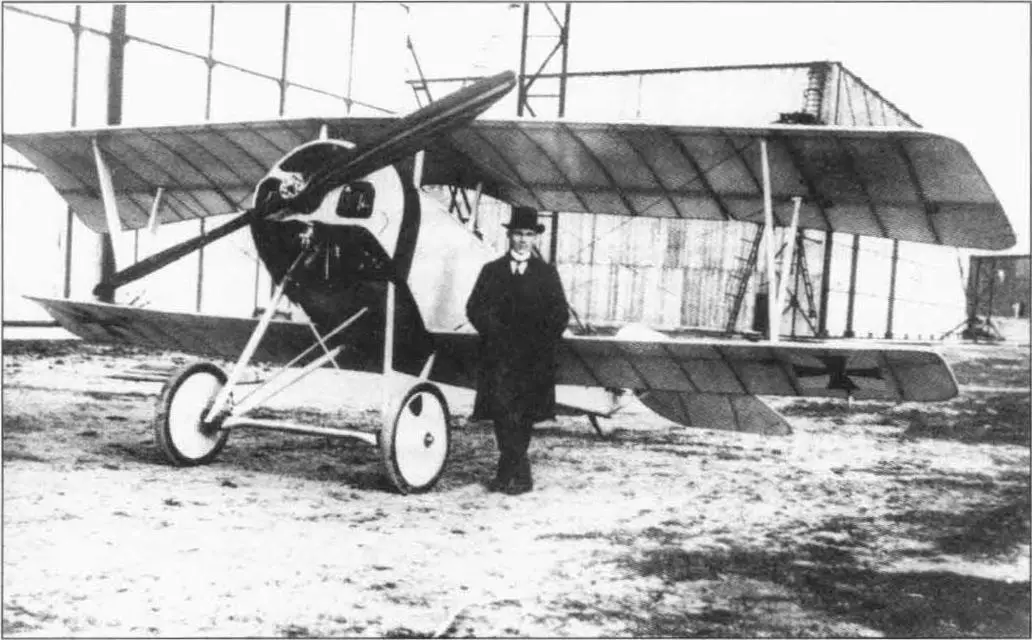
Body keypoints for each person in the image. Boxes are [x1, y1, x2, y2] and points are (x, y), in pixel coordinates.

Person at [466, 207, 569, 495]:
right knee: (502, 413)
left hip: (532, 360)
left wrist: (538, 340)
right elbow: (474, 308)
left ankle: (512, 474)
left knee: (523, 415)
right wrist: (495, 331)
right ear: (509, 236)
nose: (523, 240)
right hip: (498, 357)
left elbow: (560, 314)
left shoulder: (547, 274)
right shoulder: (492, 270)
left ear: (535, 238)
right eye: (518, 234)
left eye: (528, 235)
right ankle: (516, 471)